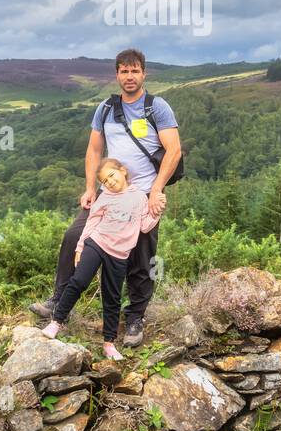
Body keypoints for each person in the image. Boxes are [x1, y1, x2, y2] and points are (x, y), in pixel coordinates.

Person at [30, 47, 181, 347]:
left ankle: (135, 317)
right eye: (124, 71)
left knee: (141, 256)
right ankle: (59, 299)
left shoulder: (157, 107)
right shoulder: (106, 109)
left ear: (143, 73)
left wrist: (157, 190)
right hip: (109, 191)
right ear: (117, 75)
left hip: (142, 195)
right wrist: (89, 188)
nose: (129, 76)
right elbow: (94, 150)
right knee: (75, 236)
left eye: (134, 70)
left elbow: (174, 151)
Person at [42, 158, 158, 359]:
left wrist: (158, 211)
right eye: (105, 181)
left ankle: (109, 344)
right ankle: (55, 323)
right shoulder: (104, 197)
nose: (110, 182)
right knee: (78, 281)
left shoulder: (140, 197)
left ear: (123, 171)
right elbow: (91, 223)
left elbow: (144, 226)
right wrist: (80, 247)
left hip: (120, 254)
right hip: (96, 243)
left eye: (112, 175)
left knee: (112, 297)